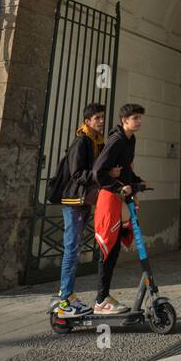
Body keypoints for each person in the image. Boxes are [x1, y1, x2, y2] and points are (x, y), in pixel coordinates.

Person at [90, 103, 149, 314]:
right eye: (135, 118)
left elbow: (125, 169)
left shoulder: (130, 140)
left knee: (114, 251)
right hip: (109, 199)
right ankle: (100, 301)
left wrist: (137, 182)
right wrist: (118, 186)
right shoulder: (116, 141)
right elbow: (98, 172)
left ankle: (104, 296)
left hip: (120, 199)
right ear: (124, 120)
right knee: (107, 251)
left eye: (140, 118)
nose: (139, 121)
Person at [51, 103, 105, 316]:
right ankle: (64, 299)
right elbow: (76, 174)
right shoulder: (81, 141)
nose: (101, 121)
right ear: (87, 121)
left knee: (75, 247)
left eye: (102, 117)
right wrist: (98, 174)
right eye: (97, 118)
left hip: (83, 202)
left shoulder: (96, 142)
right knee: (72, 248)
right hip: (73, 200)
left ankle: (69, 294)